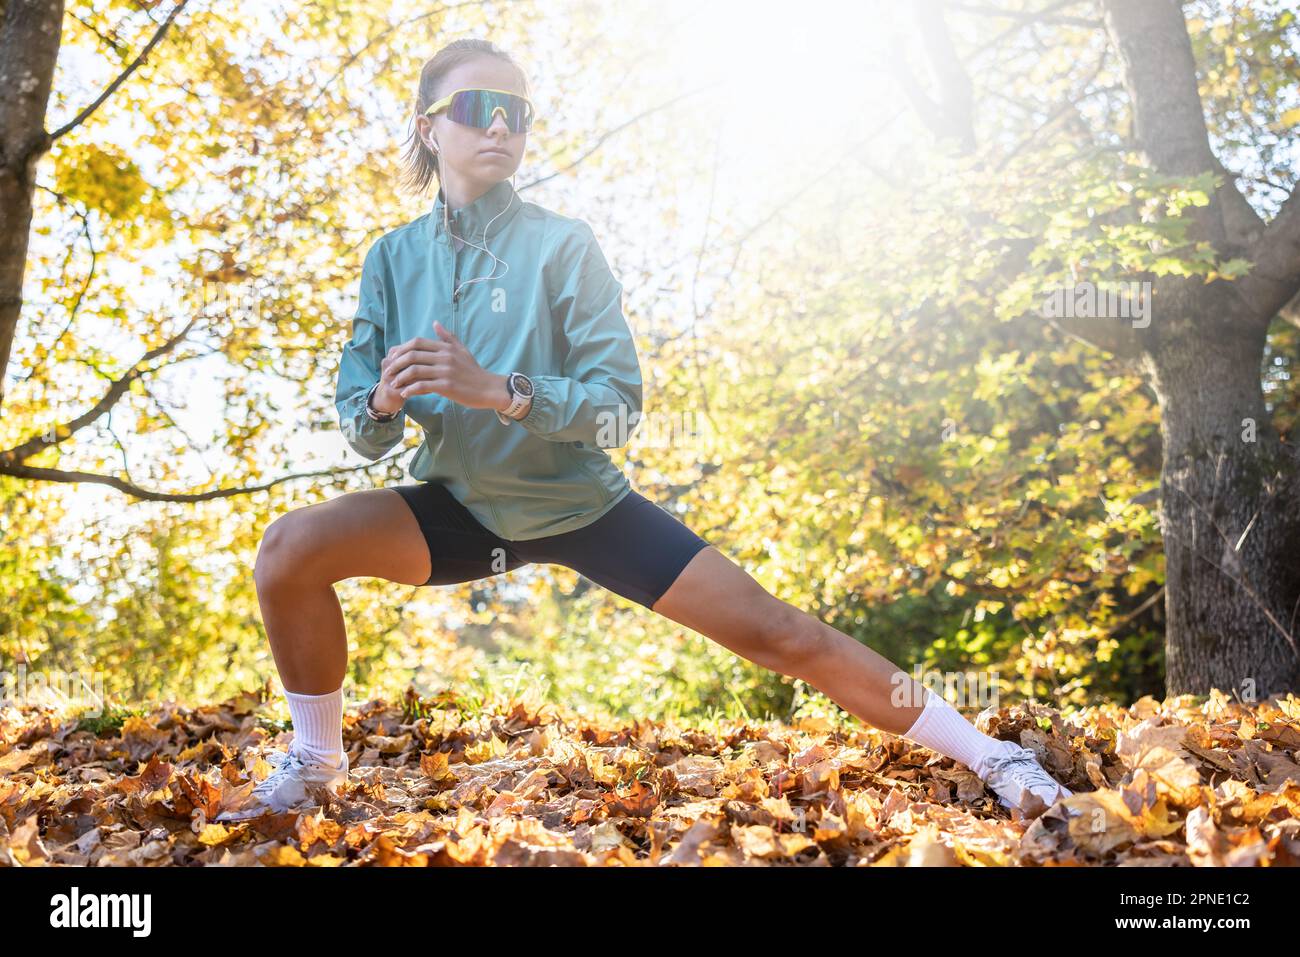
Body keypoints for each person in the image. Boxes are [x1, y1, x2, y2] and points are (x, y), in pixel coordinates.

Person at [217, 38, 1073, 823]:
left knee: (781, 635)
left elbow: (620, 403)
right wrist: (379, 408)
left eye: (519, 113)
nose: (503, 128)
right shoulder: (391, 259)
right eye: (481, 108)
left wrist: (503, 390)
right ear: (430, 127)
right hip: (462, 512)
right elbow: (356, 421)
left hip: (583, 507)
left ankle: (996, 757)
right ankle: (317, 763)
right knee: (290, 549)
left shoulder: (562, 245)